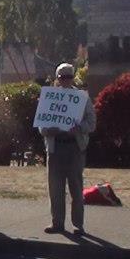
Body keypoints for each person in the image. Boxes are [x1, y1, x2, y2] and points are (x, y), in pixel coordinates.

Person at [39, 63, 96, 236]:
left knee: (76, 189)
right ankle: (57, 223)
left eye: (69, 76)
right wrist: (49, 130)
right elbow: (41, 125)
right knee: (55, 189)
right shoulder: (49, 98)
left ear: (73, 78)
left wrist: (78, 128)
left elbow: (91, 122)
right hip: (55, 148)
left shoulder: (81, 97)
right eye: (62, 77)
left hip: (74, 148)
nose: (65, 80)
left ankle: (78, 224)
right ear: (57, 79)